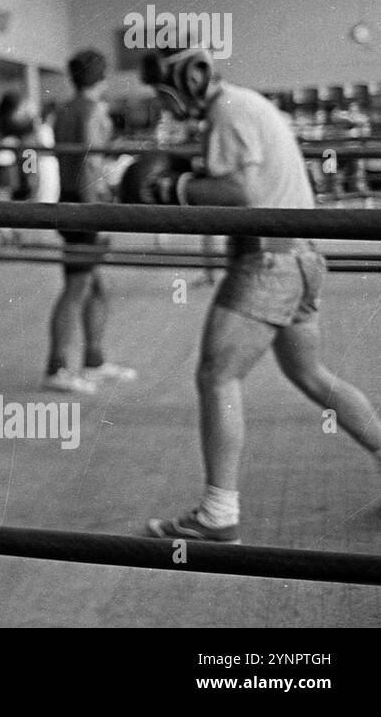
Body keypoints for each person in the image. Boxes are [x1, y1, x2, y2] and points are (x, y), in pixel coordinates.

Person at [132, 47, 381, 542]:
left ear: (190, 75)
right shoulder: (244, 105)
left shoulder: (228, 111)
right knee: (310, 374)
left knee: (217, 374)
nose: (164, 106)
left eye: (164, 93)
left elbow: (239, 192)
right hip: (301, 257)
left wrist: (170, 188)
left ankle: (218, 513)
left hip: (268, 261)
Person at [45, 51, 136, 394]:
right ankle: (56, 368)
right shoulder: (94, 111)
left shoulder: (63, 111)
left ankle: (94, 360)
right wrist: (93, 209)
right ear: (102, 77)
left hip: (70, 199)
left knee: (97, 288)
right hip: (84, 205)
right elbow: (91, 163)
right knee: (76, 289)